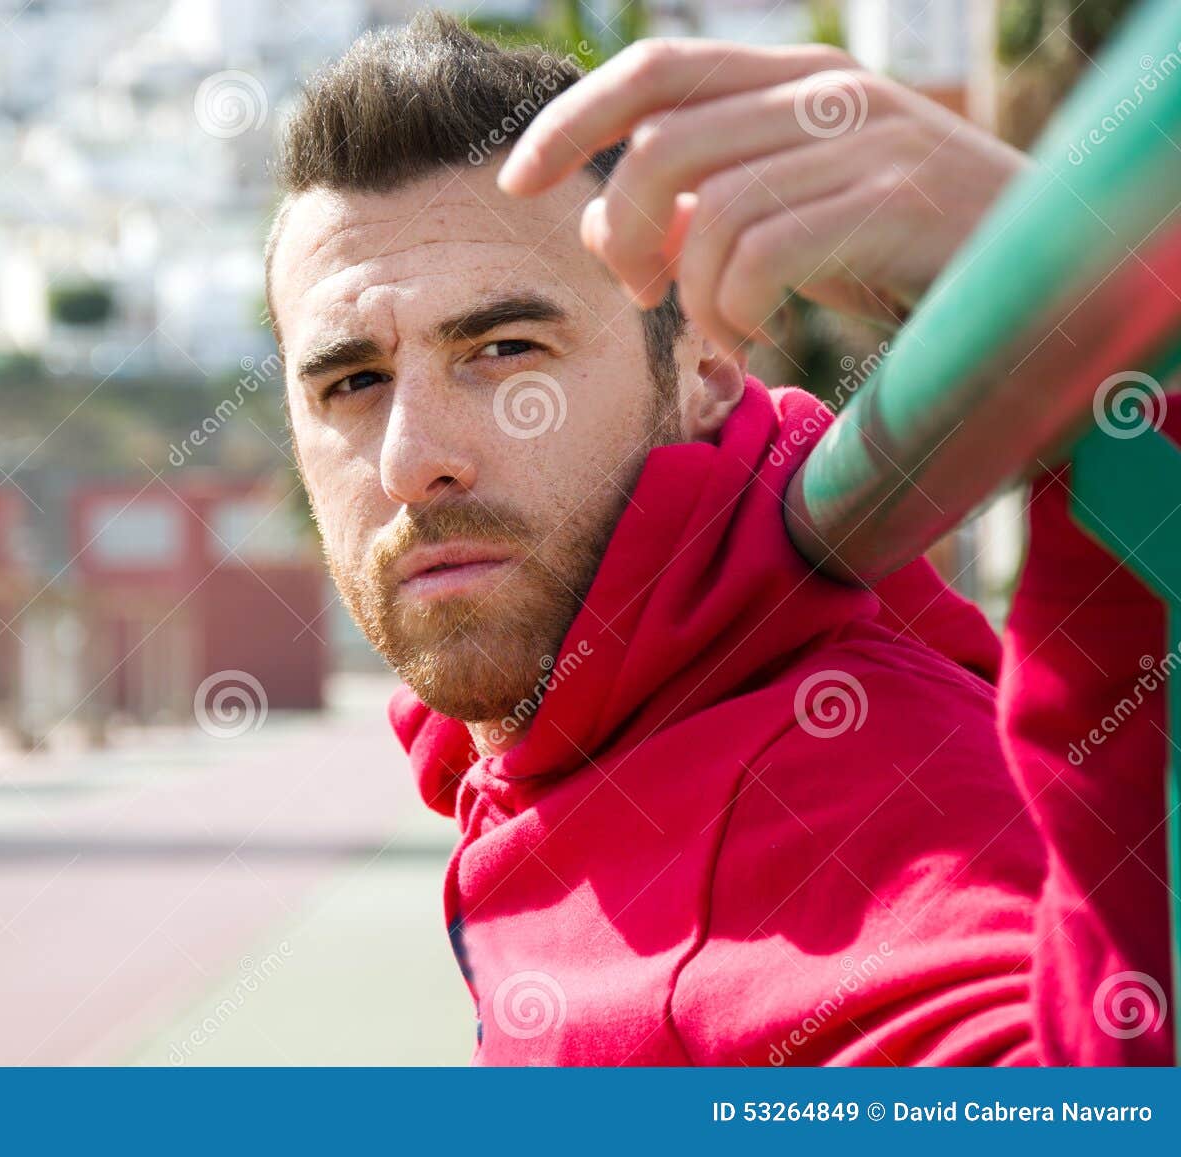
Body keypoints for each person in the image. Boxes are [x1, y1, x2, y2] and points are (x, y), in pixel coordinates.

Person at [264, 12, 1175, 1065]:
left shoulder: (831, 794)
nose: (412, 458)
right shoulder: (569, 724)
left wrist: (1093, 314)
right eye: (352, 382)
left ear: (701, 370)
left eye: (505, 348)